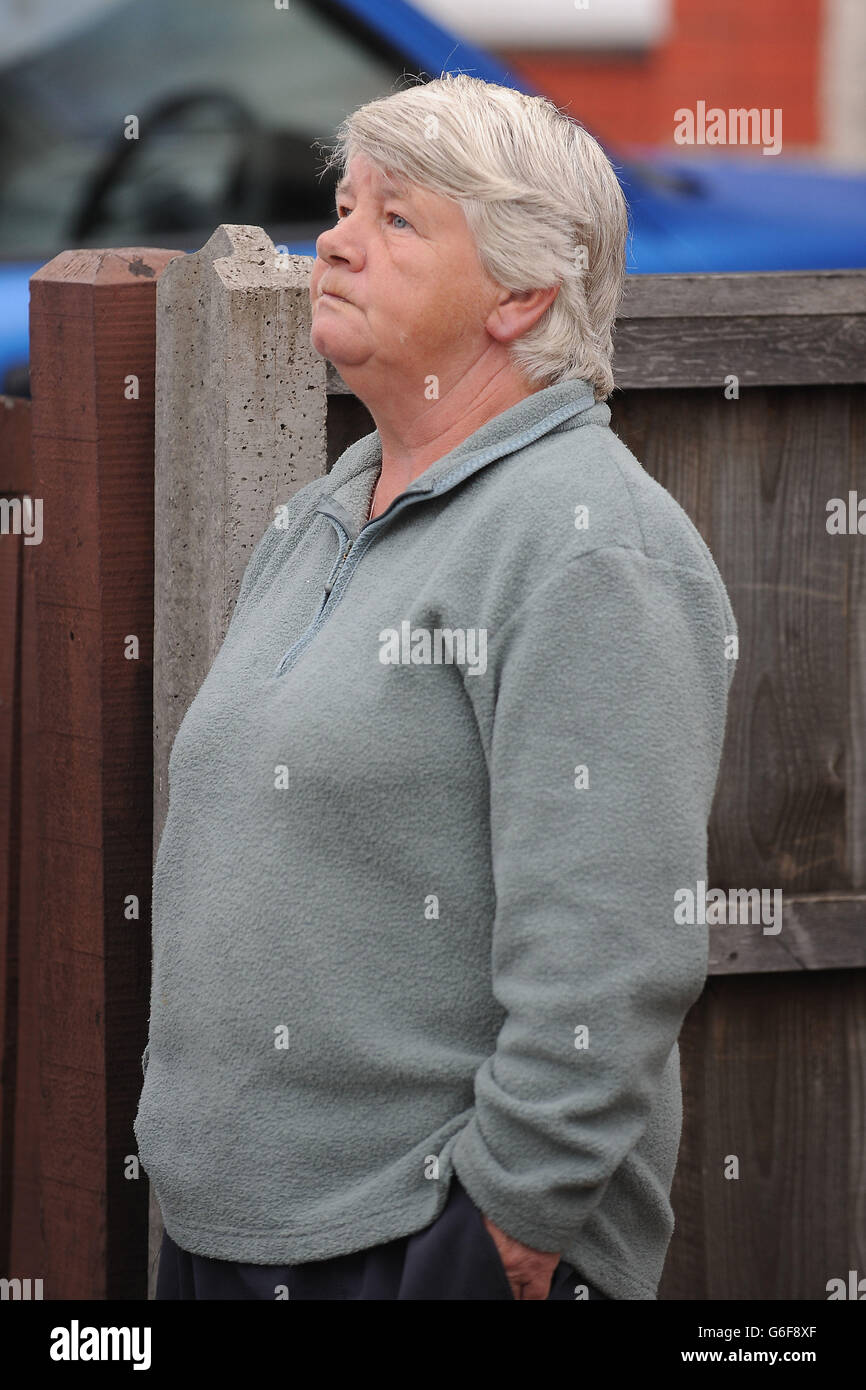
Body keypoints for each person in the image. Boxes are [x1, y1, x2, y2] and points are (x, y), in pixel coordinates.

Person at [134, 73, 738, 1301]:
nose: (336, 240)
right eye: (343, 204)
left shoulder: (584, 541)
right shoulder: (312, 519)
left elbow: (612, 949)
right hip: (230, 1237)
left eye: (396, 218)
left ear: (521, 292)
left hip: (414, 1243)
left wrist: (503, 1226)